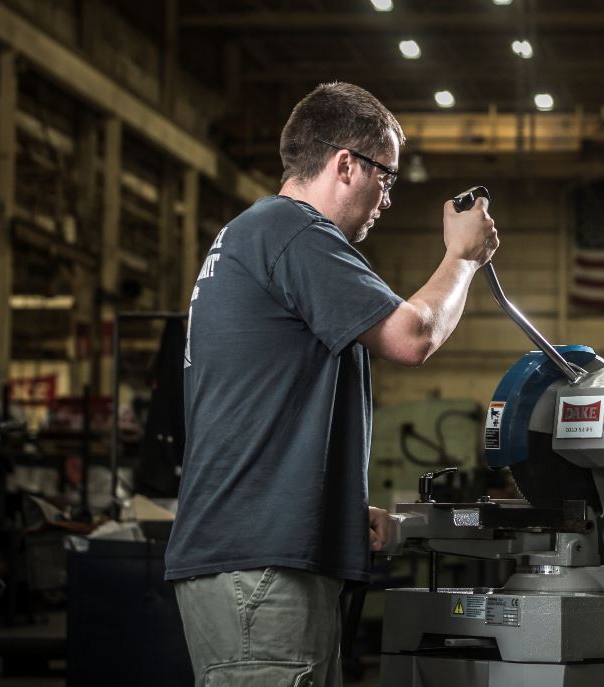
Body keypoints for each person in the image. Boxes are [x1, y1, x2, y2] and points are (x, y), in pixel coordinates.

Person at [163, 81, 498, 686]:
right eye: (386, 176)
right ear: (346, 163)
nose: (387, 198)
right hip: (262, 568)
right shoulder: (292, 232)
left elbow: (265, 408)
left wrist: (331, 508)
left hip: (257, 558)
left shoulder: (255, 237)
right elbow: (412, 336)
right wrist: (463, 258)